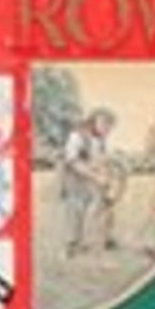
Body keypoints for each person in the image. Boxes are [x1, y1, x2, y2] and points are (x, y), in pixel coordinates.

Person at [61, 107, 116, 257]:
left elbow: (102, 160)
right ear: (94, 121)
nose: (107, 129)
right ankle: (71, 246)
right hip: (75, 180)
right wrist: (95, 177)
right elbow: (73, 162)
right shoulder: (77, 136)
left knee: (105, 207)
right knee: (76, 212)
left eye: (110, 126)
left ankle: (105, 239)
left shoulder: (101, 140)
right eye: (105, 124)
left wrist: (105, 176)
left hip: (92, 180)